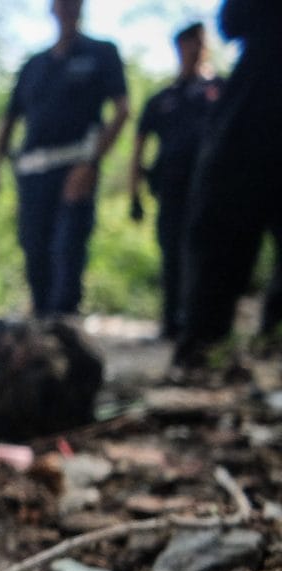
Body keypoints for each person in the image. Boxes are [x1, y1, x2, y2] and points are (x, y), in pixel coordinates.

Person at [0, 0, 129, 319]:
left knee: (67, 250)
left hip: (75, 168)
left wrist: (90, 163)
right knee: (34, 250)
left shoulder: (101, 53)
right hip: (33, 173)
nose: (67, 9)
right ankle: (41, 325)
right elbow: (9, 121)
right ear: (52, 9)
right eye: (61, 3)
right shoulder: (33, 65)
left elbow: (122, 111)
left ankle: (64, 328)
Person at [174, 0, 282, 367]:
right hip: (255, 102)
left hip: (253, 107)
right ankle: (203, 347)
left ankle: (265, 342)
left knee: (217, 223)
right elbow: (233, 20)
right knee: (217, 225)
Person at [129, 22, 223, 340]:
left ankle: (203, 325)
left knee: (207, 253)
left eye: (199, 42)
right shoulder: (162, 99)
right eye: (187, 43)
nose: (193, 49)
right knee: (172, 253)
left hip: (211, 190)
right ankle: (171, 323)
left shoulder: (220, 90)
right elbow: (139, 147)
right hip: (170, 189)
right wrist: (134, 196)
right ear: (178, 47)